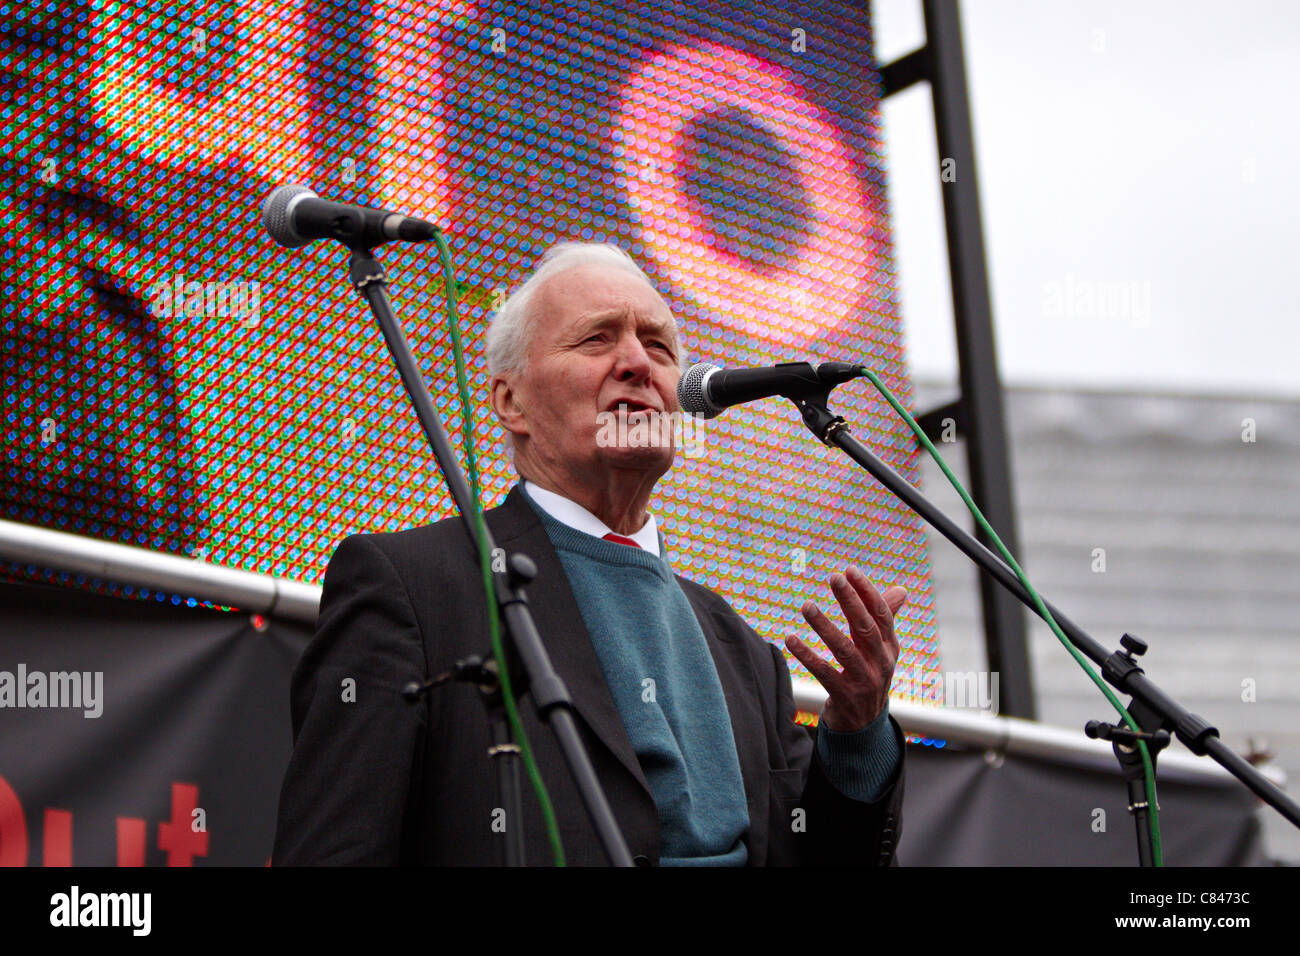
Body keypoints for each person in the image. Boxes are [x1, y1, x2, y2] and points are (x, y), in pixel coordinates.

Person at [272, 241, 908, 866]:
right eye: (597, 340)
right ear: (510, 401)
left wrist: (857, 735)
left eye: (658, 346)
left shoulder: (743, 653)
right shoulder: (412, 587)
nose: (638, 363)